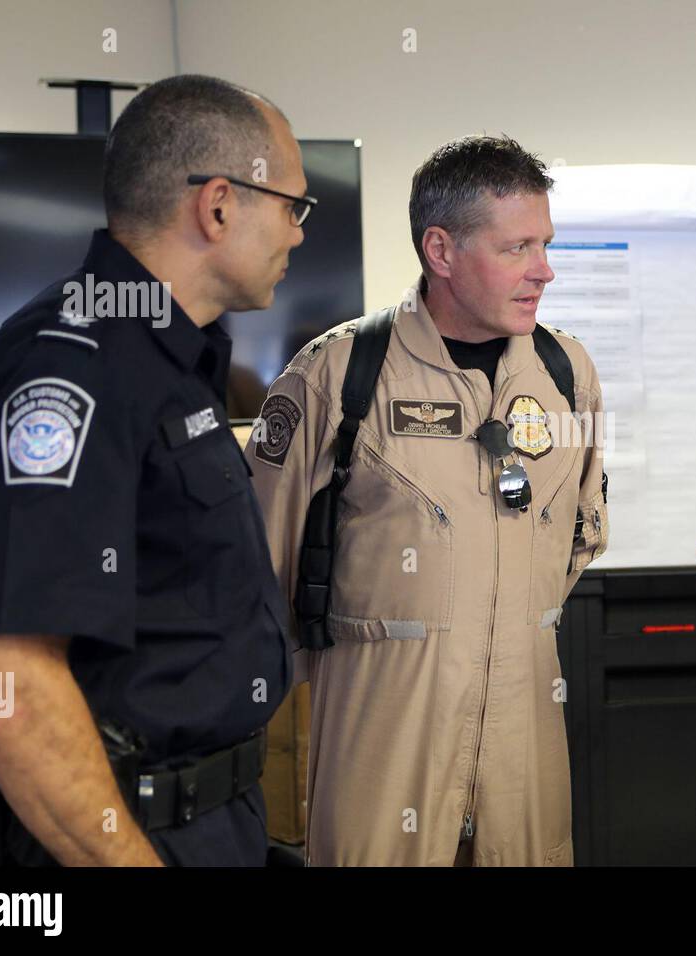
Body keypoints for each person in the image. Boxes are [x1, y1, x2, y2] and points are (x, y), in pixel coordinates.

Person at [0, 74, 309, 866]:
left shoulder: (165, 359)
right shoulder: (74, 368)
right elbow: (0, 674)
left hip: (208, 822)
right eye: (292, 206)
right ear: (217, 205)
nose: (299, 235)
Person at [247, 135, 608, 866]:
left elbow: (580, 538)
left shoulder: (567, 373)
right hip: (385, 753)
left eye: (546, 244)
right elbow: (257, 567)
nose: (545, 270)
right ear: (440, 250)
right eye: (517, 249)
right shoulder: (338, 375)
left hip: (525, 754)